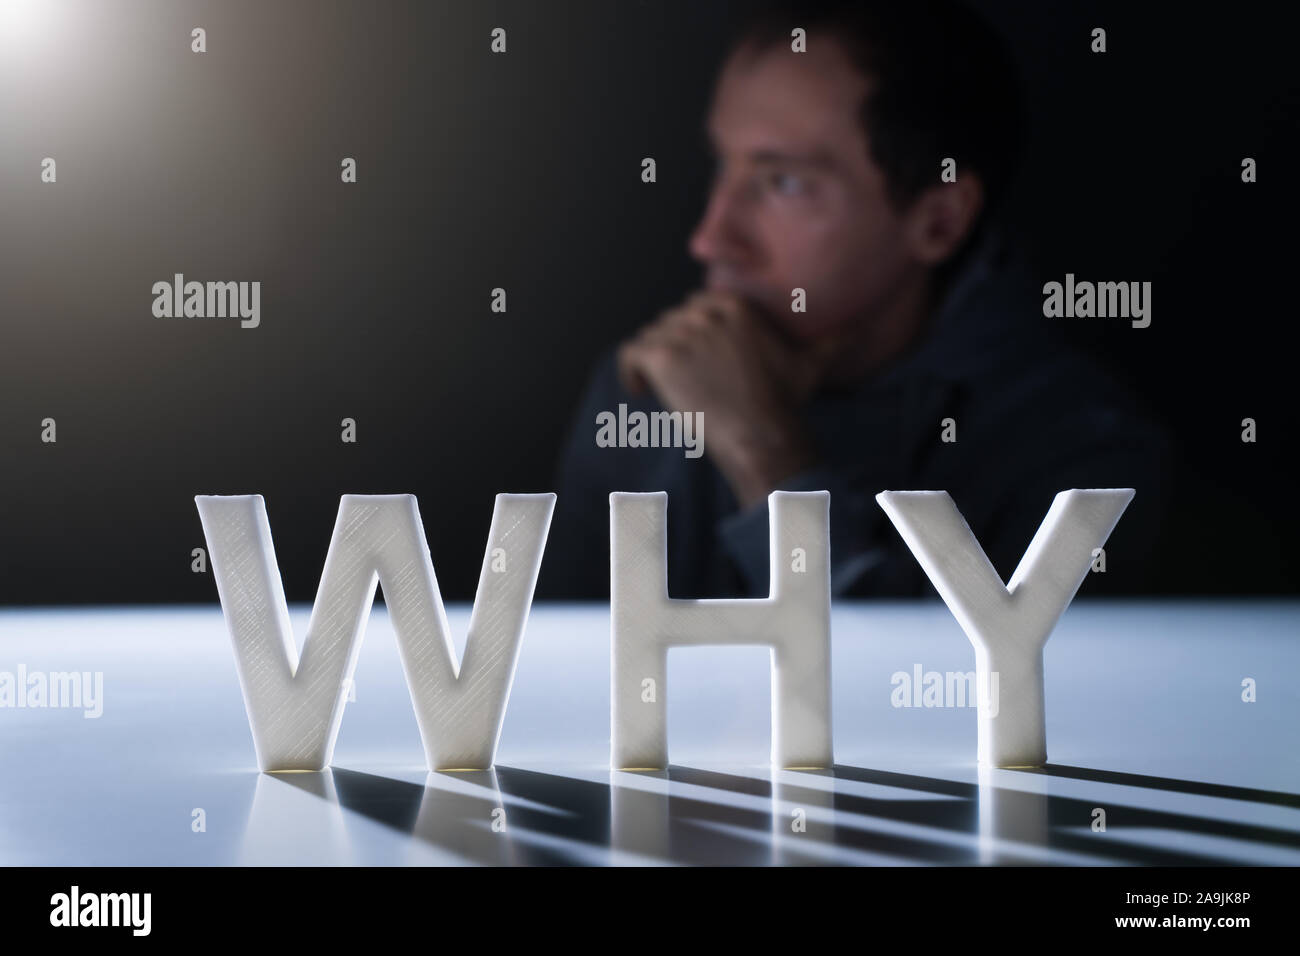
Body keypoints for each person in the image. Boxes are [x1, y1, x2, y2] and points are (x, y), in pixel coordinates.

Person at [541, 0, 1175, 600]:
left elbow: (941, 706)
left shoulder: (1086, 458)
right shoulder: (652, 386)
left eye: (784, 182)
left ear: (938, 223)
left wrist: (766, 457)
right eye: (723, 167)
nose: (711, 238)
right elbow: (561, 694)